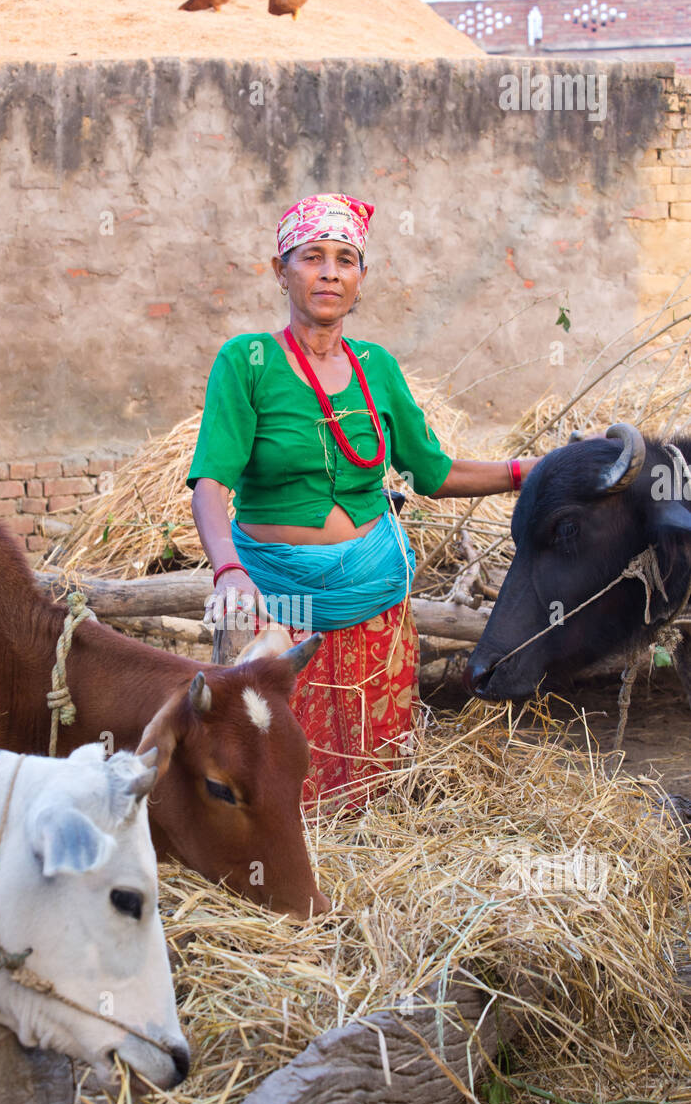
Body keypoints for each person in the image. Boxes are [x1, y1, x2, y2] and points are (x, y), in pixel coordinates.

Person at [188, 192, 537, 807]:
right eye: (312, 257)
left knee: (377, 773)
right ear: (280, 271)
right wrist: (228, 569)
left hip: (376, 595)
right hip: (278, 598)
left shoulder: (377, 366)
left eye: (345, 259)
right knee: (282, 774)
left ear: (361, 279)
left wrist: (522, 472)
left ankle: (372, 881)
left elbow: (433, 472)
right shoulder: (246, 362)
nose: (329, 272)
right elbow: (211, 481)